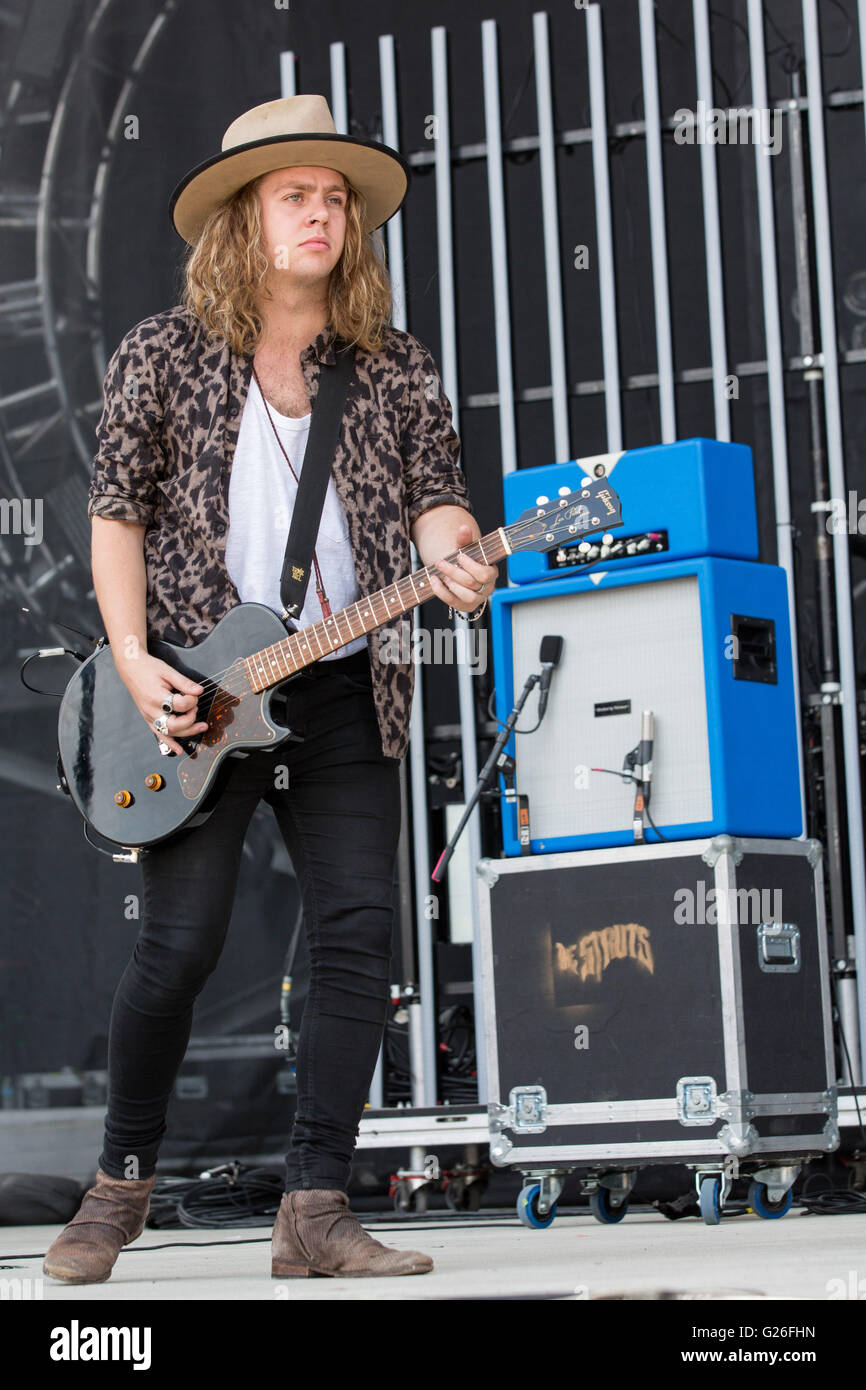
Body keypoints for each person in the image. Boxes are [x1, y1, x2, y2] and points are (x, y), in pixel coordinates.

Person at [43, 94, 497, 1284]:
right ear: (241, 218)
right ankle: (117, 1187)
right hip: (200, 692)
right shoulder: (162, 351)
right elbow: (115, 516)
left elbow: (434, 497)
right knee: (178, 946)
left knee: (356, 939)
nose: (320, 214)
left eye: (335, 197)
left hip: (342, 683)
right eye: (294, 194)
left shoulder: (392, 364)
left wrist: (456, 554)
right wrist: (133, 659)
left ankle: (315, 1208)